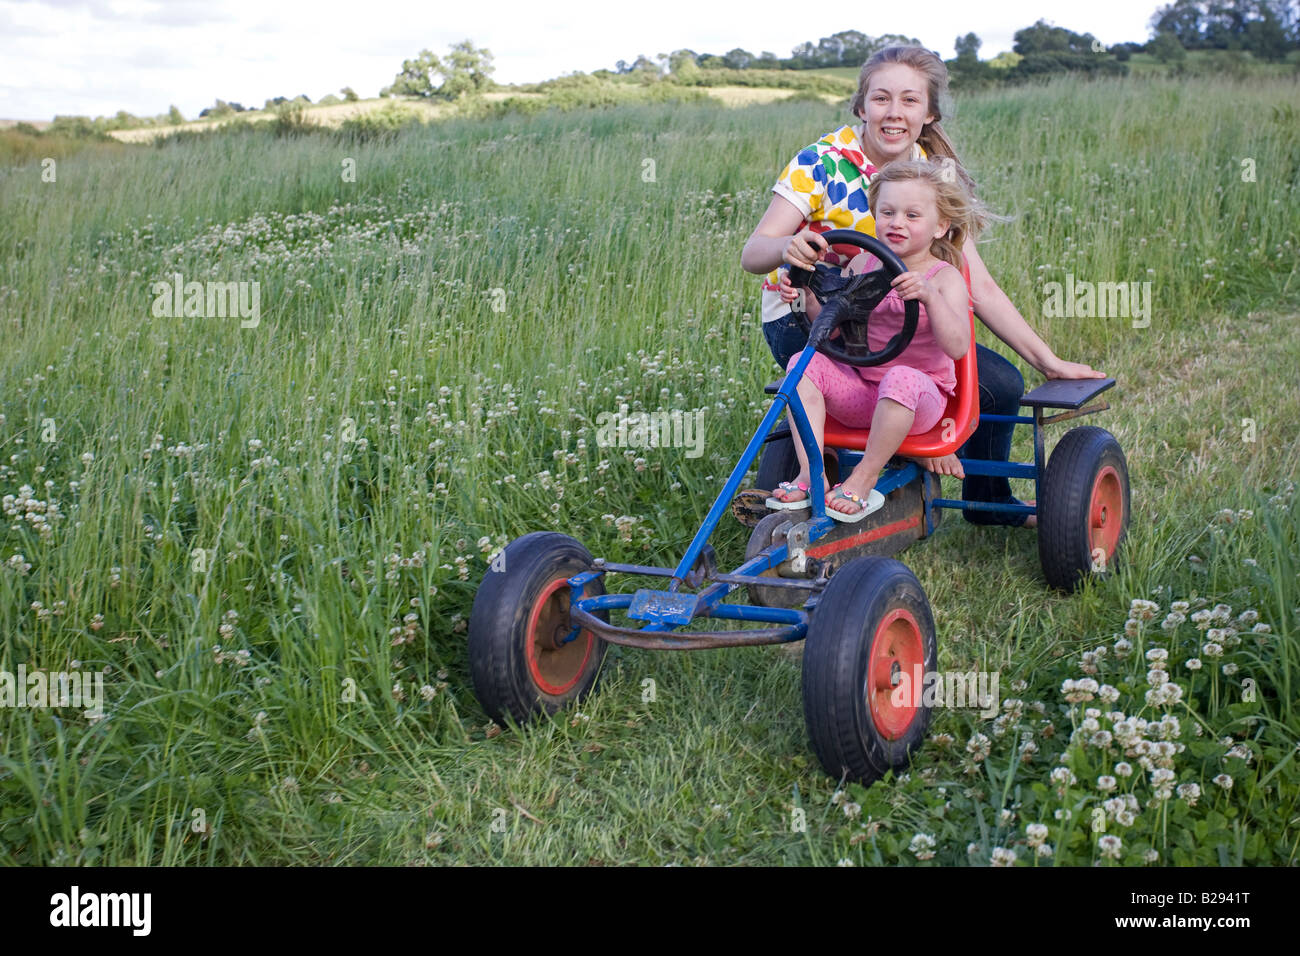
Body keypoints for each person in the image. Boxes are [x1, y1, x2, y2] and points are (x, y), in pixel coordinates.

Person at [740, 45, 1104, 527]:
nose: (894, 113)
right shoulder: (821, 163)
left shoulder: (932, 172)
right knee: (815, 368)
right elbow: (752, 253)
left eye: (910, 101)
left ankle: (984, 499)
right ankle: (828, 467)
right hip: (812, 313)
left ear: (928, 112)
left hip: (902, 323)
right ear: (861, 105)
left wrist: (1046, 361)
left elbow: (978, 286)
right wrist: (790, 248)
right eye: (882, 99)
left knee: (999, 384)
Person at [766, 161, 977, 521]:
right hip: (861, 393)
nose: (897, 222)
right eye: (888, 212)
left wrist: (929, 297)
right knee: (803, 362)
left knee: (901, 378)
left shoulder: (944, 279)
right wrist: (807, 296)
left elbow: (958, 346)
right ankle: (811, 473)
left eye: (912, 215)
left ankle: (865, 476)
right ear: (874, 214)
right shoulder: (862, 265)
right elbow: (832, 331)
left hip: (921, 404)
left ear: (940, 226)